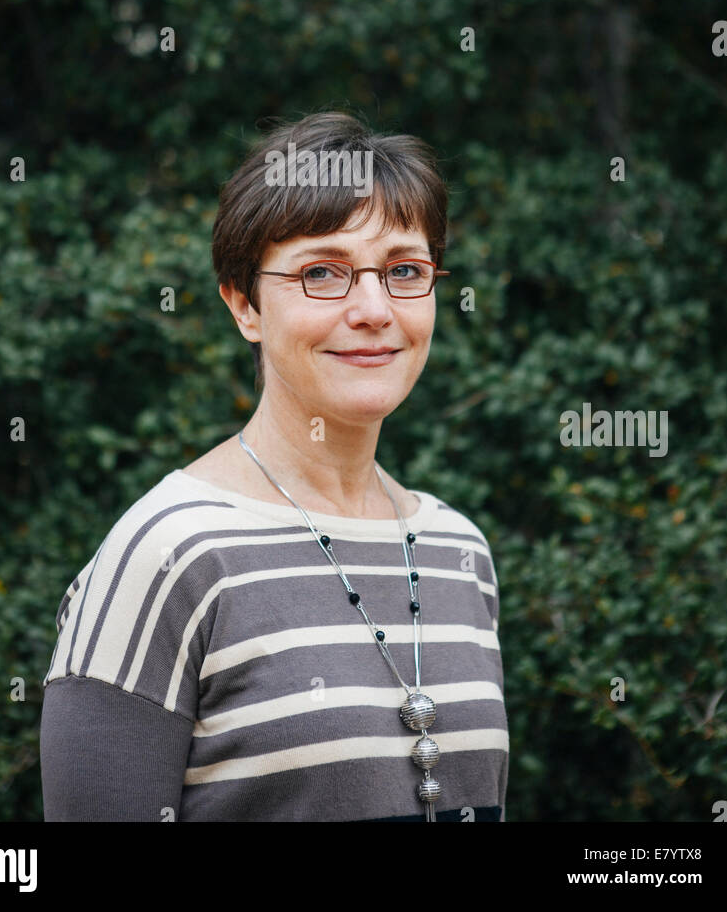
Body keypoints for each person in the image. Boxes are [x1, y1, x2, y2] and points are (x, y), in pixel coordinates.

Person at [40, 110, 509, 821]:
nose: (375, 308)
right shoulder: (168, 556)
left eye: (405, 271)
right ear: (243, 304)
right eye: (324, 272)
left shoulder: (458, 552)